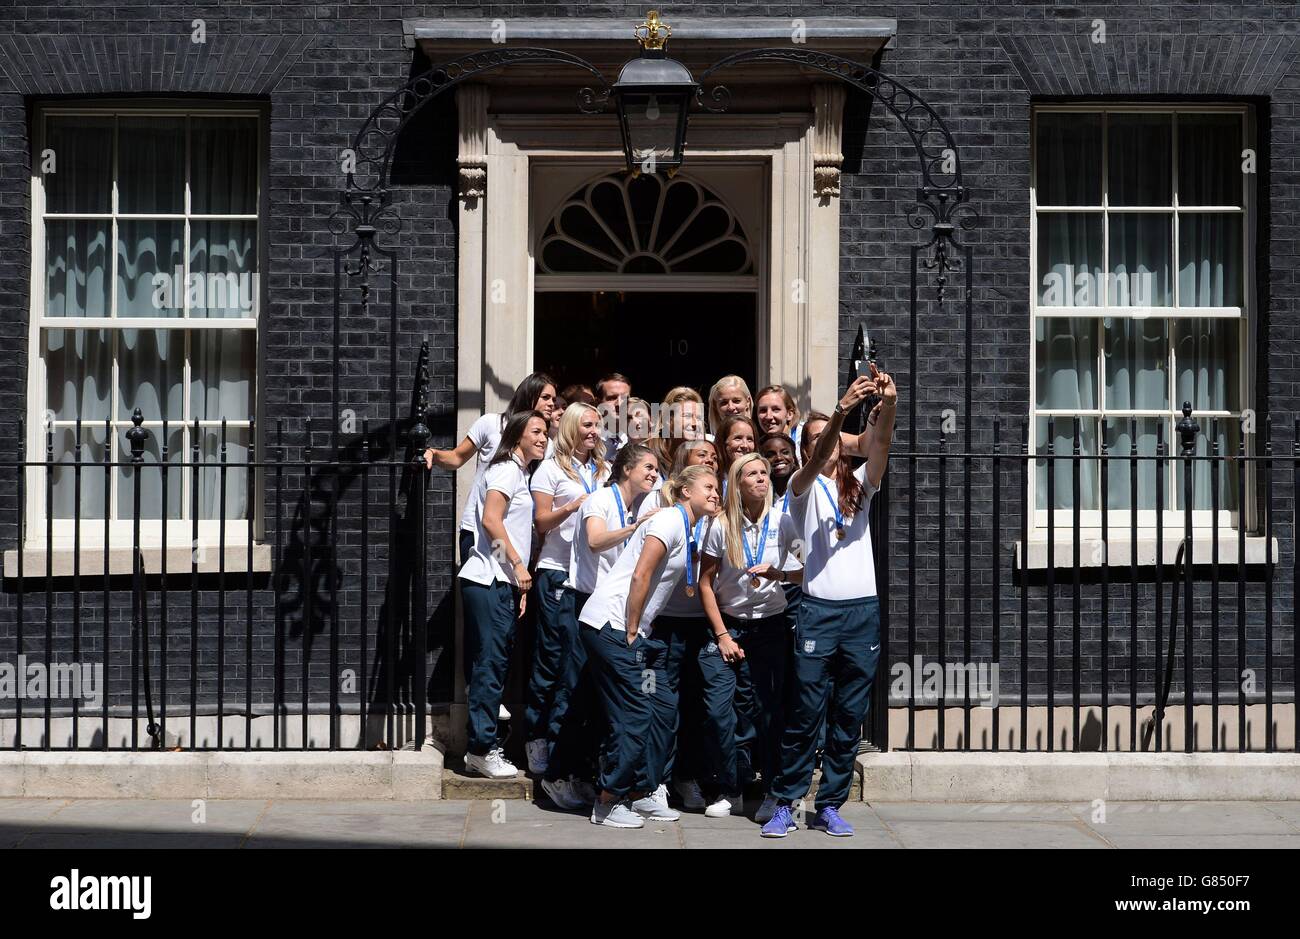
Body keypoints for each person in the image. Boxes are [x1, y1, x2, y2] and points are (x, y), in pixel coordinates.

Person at [761, 364, 897, 839]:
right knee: (805, 713)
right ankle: (786, 802)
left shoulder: (859, 483)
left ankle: (830, 804)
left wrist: (890, 406)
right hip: (818, 613)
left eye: (833, 435)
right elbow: (819, 457)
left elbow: (879, 445)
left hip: (862, 613)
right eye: (817, 437)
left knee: (847, 718)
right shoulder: (800, 489)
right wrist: (840, 410)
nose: (828, 442)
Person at [579, 464, 721, 828]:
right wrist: (631, 627)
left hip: (639, 636)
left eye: (717, 487)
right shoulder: (670, 521)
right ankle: (608, 801)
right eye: (708, 486)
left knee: (659, 706)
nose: (715, 492)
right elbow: (642, 573)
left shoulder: (686, 528)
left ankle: (641, 792)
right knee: (635, 713)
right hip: (613, 627)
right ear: (685, 491)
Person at [541, 443, 662, 810]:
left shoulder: (628, 506)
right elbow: (595, 541)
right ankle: (555, 775)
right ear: (626, 469)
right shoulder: (599, 501)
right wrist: (636, 529)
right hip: (583, 607)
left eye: (657, 469)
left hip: (606, 612)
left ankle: (580, 773)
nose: (655, 474)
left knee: (594, 698)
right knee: (573, 690)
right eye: (648, 467)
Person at [698, 453, 803, 820]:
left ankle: (775, 794)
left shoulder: (784, 520)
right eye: (752, 474)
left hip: (771, 627)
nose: (761, 478)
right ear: (737, 483)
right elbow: (705, 583)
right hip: (730, 626)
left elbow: (809, 572)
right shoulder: (721, 524)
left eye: (763, 473)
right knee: (720, 712)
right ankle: (732, 788)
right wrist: (723, 635)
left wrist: (781, 574)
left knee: (769, 712)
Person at [457, 410, 551, 779]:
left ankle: (481, 747)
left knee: (493, 665)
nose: (544, 437)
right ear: (517, 436)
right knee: (489, 667)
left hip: (500, 582)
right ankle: (481, 748)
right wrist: (516, 565)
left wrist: (516, 581)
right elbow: (490, 521)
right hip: (488, 580)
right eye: (537, 432)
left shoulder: (520, 473)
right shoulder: (506, 471)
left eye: (546, 431)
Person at [524, 403, 609, 776]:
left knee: (582, 665)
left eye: (598, 425)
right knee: (553, 658)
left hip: (593, 579)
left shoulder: (603, 470)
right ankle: (536, 738)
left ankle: (575, 748)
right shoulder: (550, 469)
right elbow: (540, 523)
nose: (594, 431)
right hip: (558, 573)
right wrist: (573, 507)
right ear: (572, 427)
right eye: (587, 425)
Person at [424, 373, 557, 563]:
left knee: (504, 581)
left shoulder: (546, 445)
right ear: (529, 395)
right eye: (546, 397)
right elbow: (457, 457)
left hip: (514, 535)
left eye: (553, 398)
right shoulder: (492, 424)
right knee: (486, 578)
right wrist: (434, 454)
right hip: (478, 530)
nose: (552, 403)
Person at [646, 386, 707, 477]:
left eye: (698, 418)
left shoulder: (705, 458)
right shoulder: (644, 455)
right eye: (687, 416)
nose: (695, 423)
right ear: (668, 420)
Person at [755, 384, 802, 454]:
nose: (768, 416)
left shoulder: (803, 436)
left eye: (775, 409)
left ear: (789, 414)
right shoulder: (756, 445)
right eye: (763, 410)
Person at [596, 372, 632, 461]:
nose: (619, 404)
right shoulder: (588, 439)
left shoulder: (634, 439)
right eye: (612, 398)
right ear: (597, 402)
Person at [715, 414, 758, 480]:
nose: (745, 445)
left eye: (750, 439)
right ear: (723, 441)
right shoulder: (712, 478)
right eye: (738, 438)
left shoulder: (760, 478)